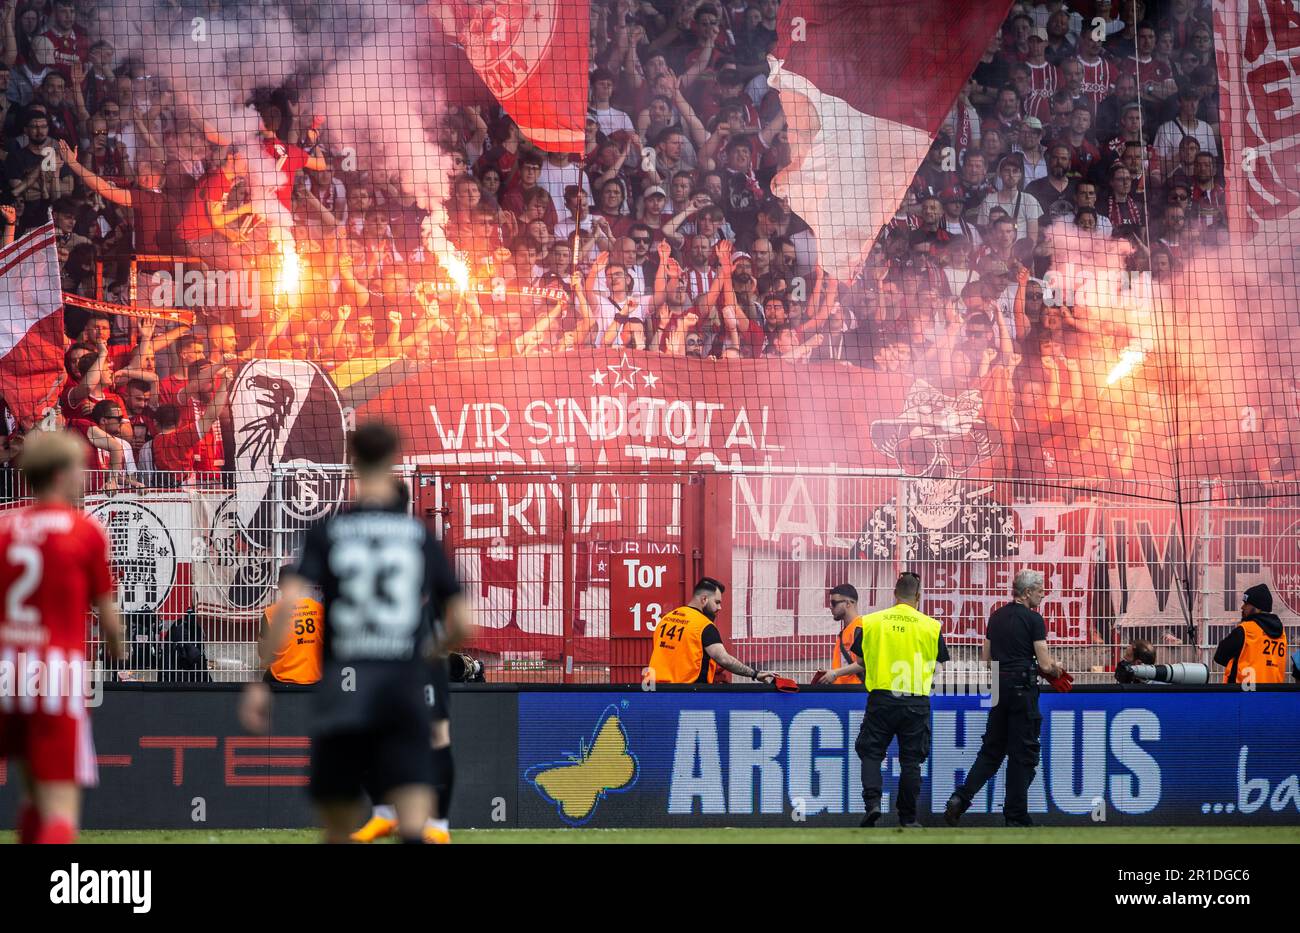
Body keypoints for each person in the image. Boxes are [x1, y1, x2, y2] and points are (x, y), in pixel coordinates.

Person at [239, 422, 473, 844]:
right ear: (394, 459)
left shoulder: (329, 533)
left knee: (337, 817)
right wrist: (428, 652)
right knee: (414, 811)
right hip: (403, 681)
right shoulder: (419, 536)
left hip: (347, 682)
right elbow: (461, 623)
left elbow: (288, 605)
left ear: (351, 460)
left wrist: (260, 681)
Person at [0, 431, 124, 844]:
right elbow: (108, 620)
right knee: (60, 809)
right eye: (78, 467)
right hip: (56, 674)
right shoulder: (84, 531)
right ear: (59, 474)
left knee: (32, 794)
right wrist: (118, 650)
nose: (85, 475)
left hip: (6, 673)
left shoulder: (5, 528)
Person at [944, 569, 1066, 828]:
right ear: (1027, 592)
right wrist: (1056, 668)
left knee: (991, 751)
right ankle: (1016, 816)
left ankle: (960, 798)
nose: (1044, 594)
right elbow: (1044, 664)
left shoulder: (996, 616)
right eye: (1040, 589)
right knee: (1023, 754)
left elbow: (986, 661)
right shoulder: (1034, 620)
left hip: (999, 687)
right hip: (1023, 690)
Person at [850, 572, 949, 828]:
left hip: (881, 697)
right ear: (918, 595)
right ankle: (908, 818)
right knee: (911, 760)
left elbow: (859, 662)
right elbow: (939, 666)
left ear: (894, 593)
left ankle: (872, 804)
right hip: (915, 700)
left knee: (871, 752)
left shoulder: (871, 622)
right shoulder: (931, 626)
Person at [647, 577, 775, 684]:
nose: (719, 607)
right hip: (688, 695)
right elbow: (724, 659)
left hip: (656, 691)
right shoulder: (704, 626)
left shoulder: (667, 619)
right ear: (704, 599)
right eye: (717, 602)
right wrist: (755, 674)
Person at [259, 567, 324, 686]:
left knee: (265, 679)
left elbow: (263, 653)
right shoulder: (319, 609)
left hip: (281, 678)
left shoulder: (271, 613)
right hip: (315, 678)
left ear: (279, 586)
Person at [1215, 584, 1289, 685]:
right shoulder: (1282, 633)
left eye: (1246, 604)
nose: (1242, 607)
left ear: (1257, 607)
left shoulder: (1246, 629)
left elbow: (1220, 656)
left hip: (1246, 691)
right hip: (1273, 692)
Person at [815, 583, 864, 685]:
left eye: (834, 603)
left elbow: (864, 663)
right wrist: (833, 673)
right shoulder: (847, 630)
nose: (830, 607)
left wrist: (835, 673)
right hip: (844, 690)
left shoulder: (860, 627)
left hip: (855, 692)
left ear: (848, 603)